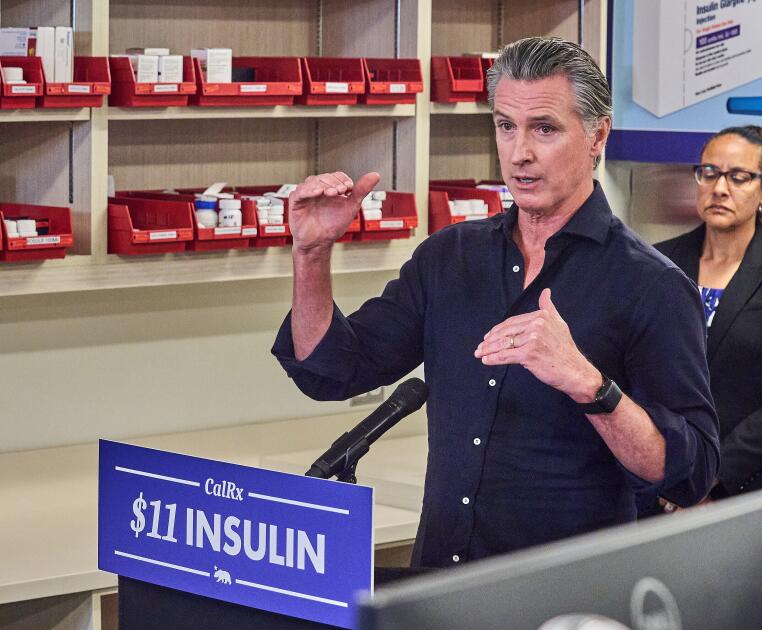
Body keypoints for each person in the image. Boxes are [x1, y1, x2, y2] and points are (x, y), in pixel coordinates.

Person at [271, 37, 719, 567]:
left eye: (544, 129)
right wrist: (312, 253)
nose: (519, 152)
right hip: (441, 579)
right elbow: (331, 371)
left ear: (597, 135)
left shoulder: (652, 285)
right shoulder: (449, 256)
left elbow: (689, 473)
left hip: (562, 592)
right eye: (506, 126)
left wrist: (590, 385)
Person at [653, 126, 762, 505]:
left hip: (753, 486)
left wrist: (710, 477)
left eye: (738, 177)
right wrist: (666, 472)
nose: (719, 188)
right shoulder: (658, 263)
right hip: (663, 479)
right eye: (709, 173)